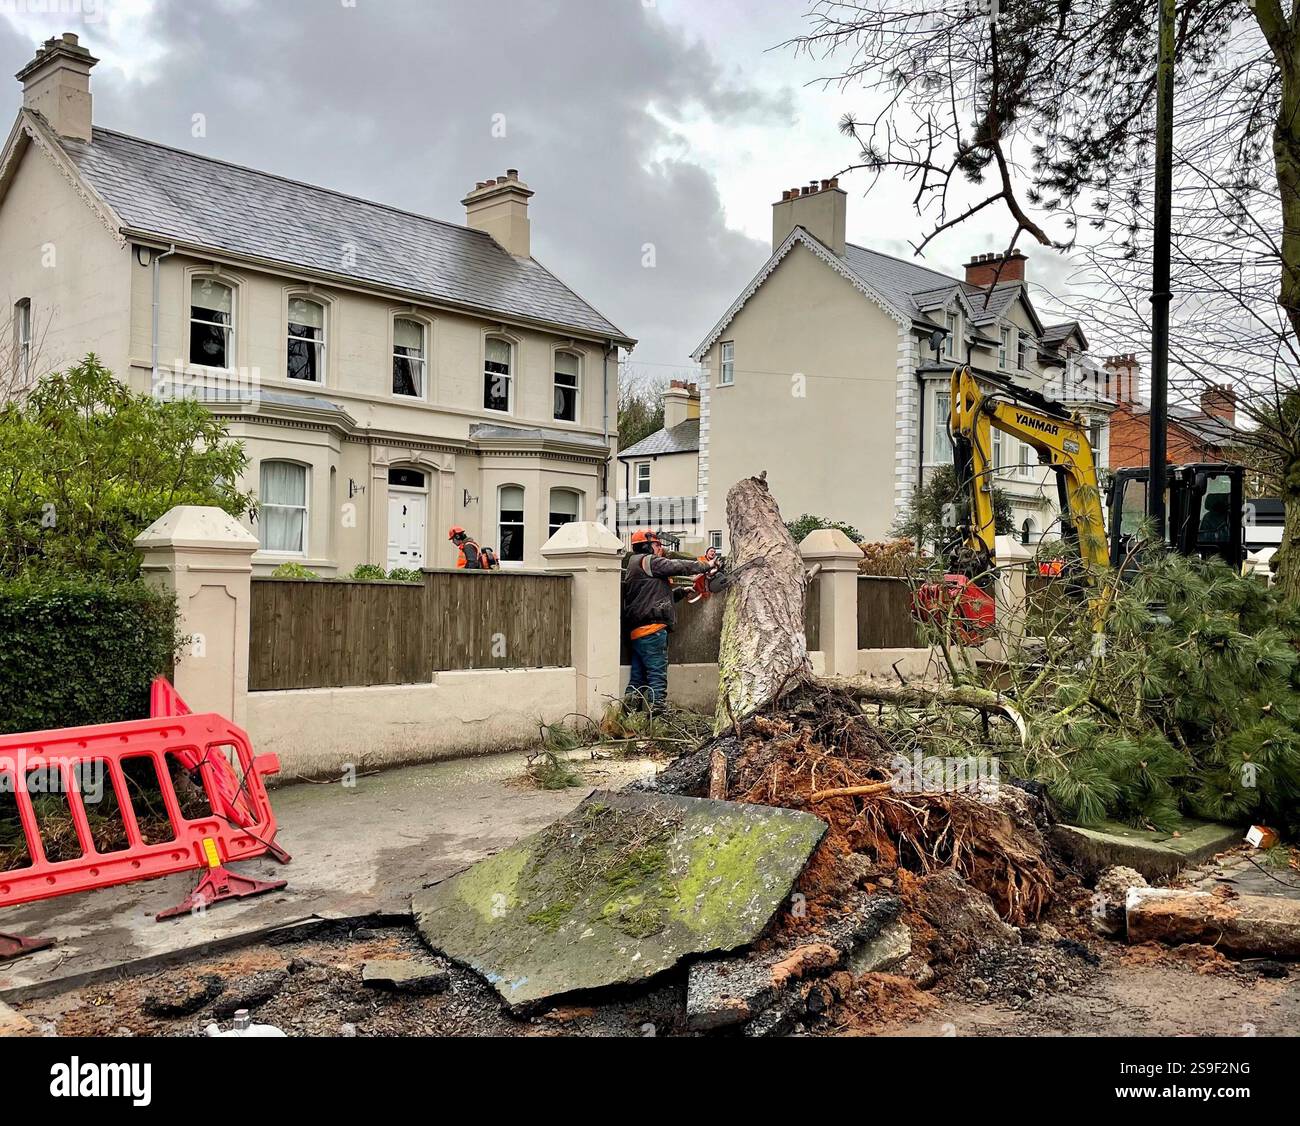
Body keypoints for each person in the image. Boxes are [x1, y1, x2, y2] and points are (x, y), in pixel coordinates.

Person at [622, 529, 718, 710]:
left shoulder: (635, 565)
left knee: (638, 679)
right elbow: (676, 565)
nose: (660, 548)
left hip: (638, 632)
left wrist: (680, 592)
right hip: (652, 630)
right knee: (657, 677)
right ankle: (655, 720)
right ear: (647, 545)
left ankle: (627, 718)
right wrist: (704, 565)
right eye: (657, 544)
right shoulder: (649, 561)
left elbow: (651, 599)